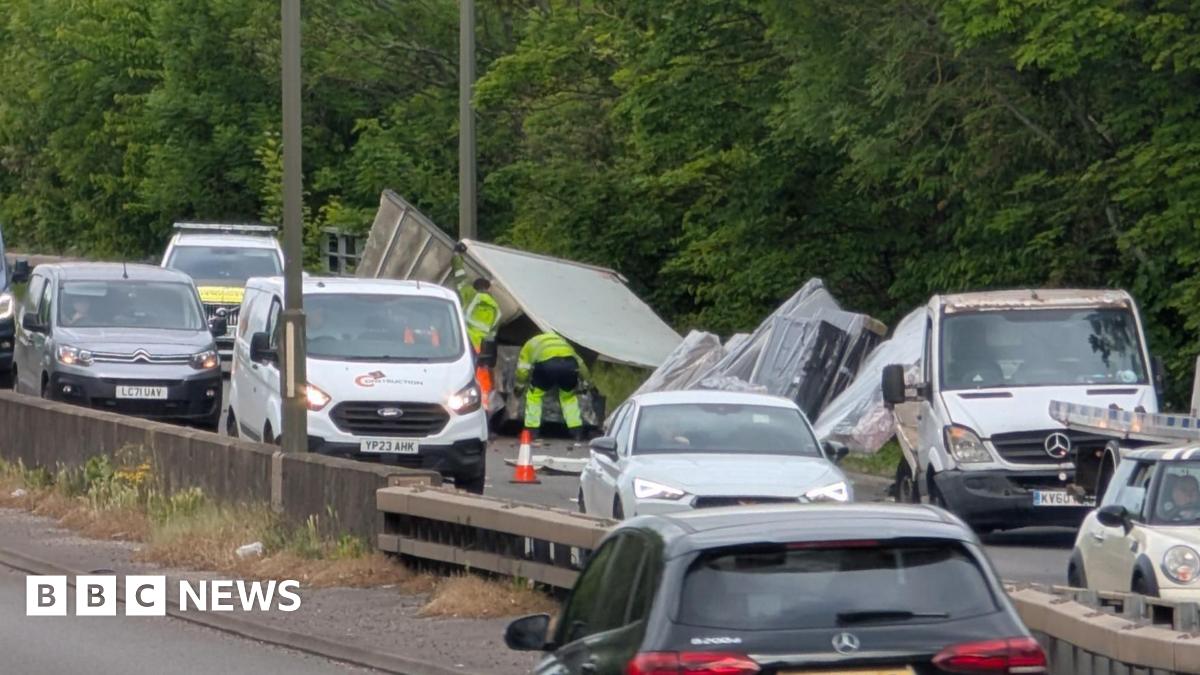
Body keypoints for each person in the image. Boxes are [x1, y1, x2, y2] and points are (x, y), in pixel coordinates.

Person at [452, 242, 501, 413]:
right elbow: (493, 334)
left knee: (462, 379)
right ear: (488, 289)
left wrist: (457, 255)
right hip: (483, 348)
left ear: (475, 288)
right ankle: (484, 412)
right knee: (482, 381)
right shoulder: (496, 307)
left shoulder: (469, 295)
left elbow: (459, 275)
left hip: (466, 342)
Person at [516, 331, 591, 442]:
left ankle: (532, 430)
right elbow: (580, 364)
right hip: (569, 365)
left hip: (547, 365)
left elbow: (523, 369)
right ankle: (576, 431)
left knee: (534, 396)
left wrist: (520, 386)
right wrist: (587, 383)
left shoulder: (530, 344)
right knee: (568, 398)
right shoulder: (562, 342)